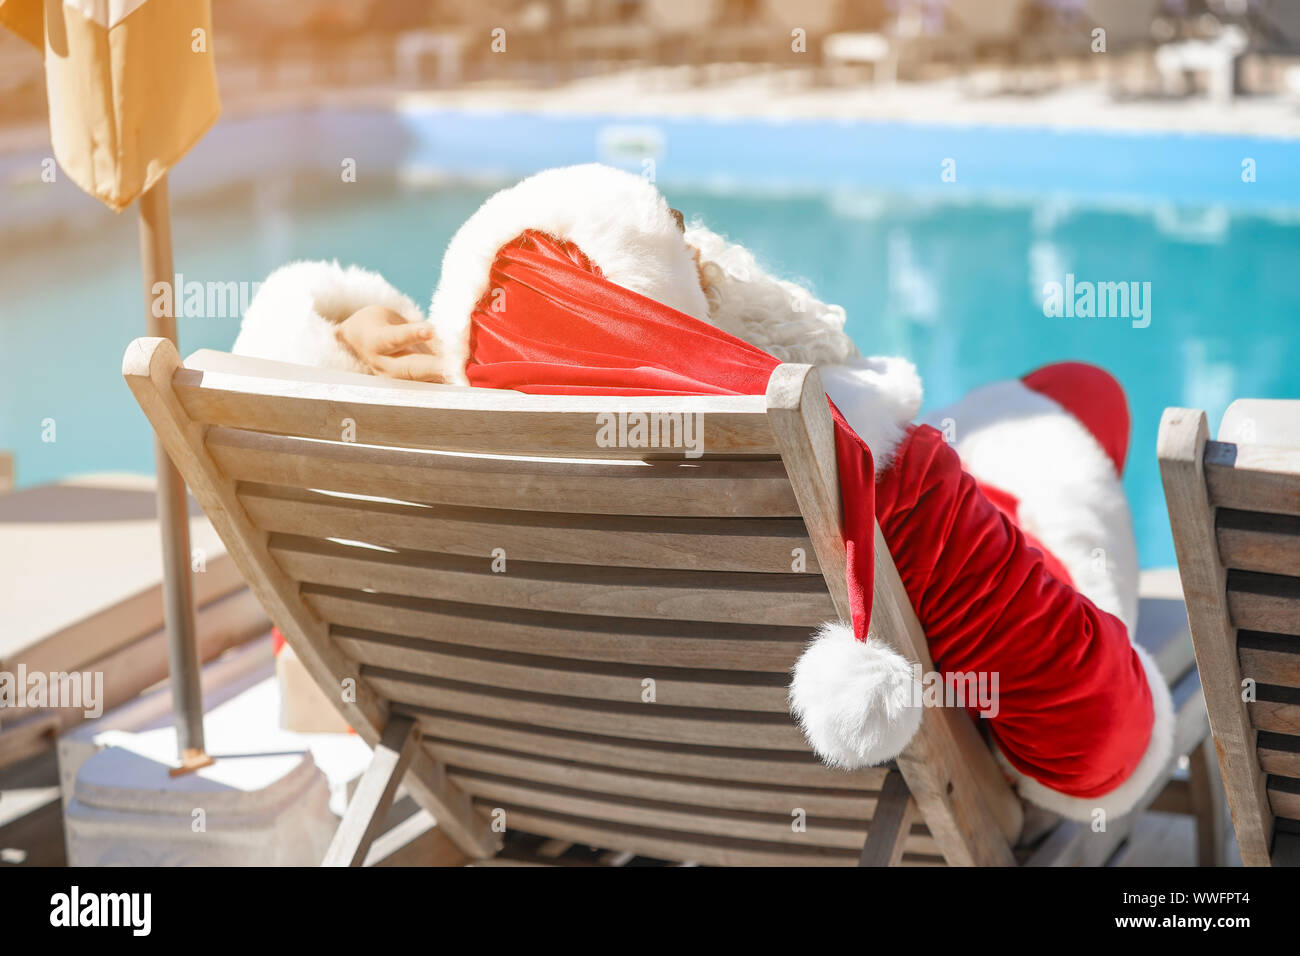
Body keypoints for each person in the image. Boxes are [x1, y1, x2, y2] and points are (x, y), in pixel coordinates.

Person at [232, 164, 1171, 821]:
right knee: (1085, 396)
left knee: (1059, 401)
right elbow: (1100, 744)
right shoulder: (874, 481)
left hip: (561, 776)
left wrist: (330, 355)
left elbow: (306, 654)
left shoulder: (375, 514)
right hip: (864, 739)